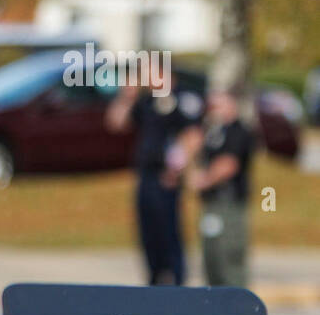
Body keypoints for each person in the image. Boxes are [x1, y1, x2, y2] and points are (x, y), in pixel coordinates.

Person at [106, 65, 203, 285]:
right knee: (148, 233)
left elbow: (193, 136)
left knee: (168, 232)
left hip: (166, 176)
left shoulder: (182, 98)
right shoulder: (147, 101)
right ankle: (154, 279)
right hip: (146, 175)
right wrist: (126, 97)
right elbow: (116, 123)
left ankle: (176, 281)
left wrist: (176, 168)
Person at [190, 89, 255, 287]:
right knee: (212, 258)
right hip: (210, 203)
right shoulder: (212, 132)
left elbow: (228, 165)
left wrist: (205, 179)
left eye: (217, 106)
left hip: (228, 204)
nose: (212, 111)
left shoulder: (238, 131)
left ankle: (238, 312)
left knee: (229, 258)